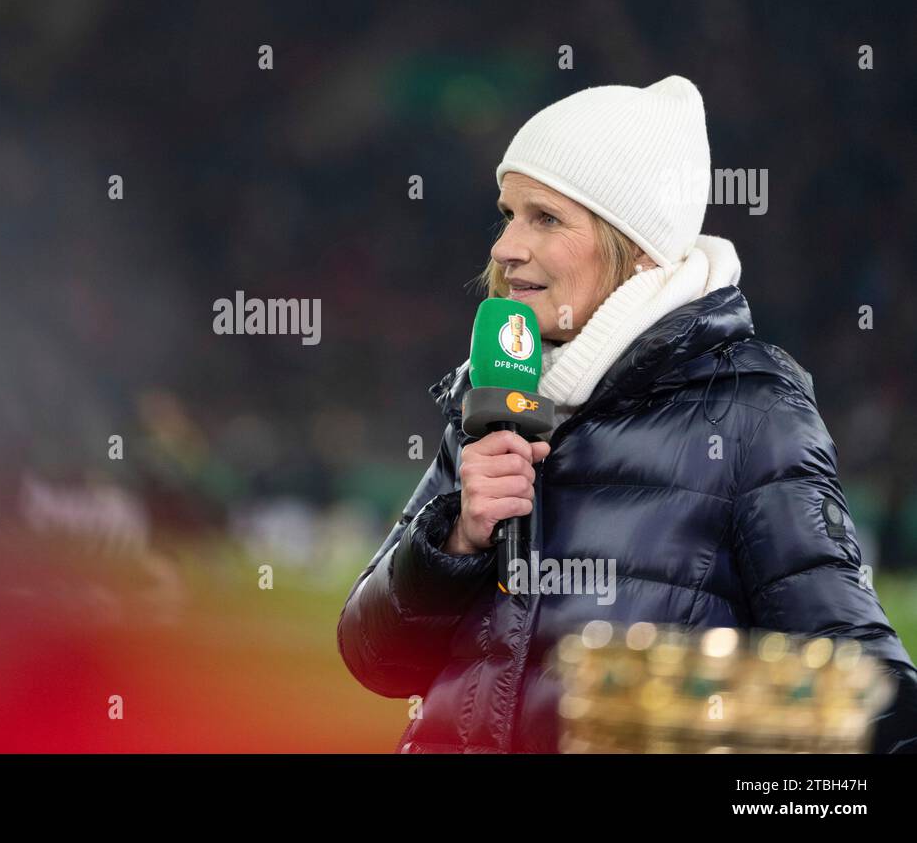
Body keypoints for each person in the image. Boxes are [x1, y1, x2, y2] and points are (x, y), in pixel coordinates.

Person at [337, 75, 917, 753]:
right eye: (508, 213)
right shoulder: (494, 390)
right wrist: (455, 541)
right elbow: (373, 657)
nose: (504, 248)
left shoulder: (750, 412)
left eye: (545, 218)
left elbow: (863, 685)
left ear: (636, 246)